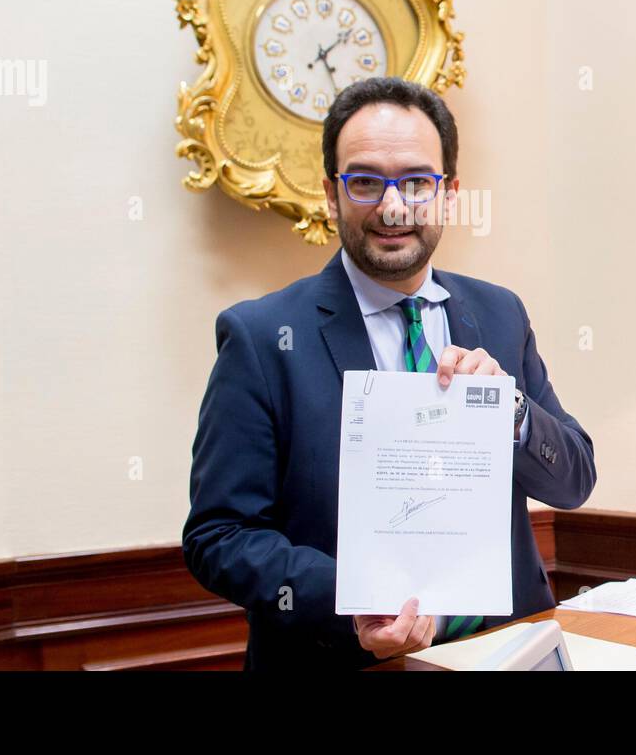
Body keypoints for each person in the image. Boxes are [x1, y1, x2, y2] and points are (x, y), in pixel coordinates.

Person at [182, 76, 597, 671]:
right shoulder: (261, 336)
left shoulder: (500, 313)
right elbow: (218, 536)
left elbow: (575, 480)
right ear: (332, 193)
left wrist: (512, 412)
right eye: (366, 181)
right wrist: (353, 599)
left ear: (448, 192)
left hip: (507, 651)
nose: (394, 205)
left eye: (417, 182)